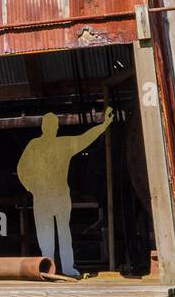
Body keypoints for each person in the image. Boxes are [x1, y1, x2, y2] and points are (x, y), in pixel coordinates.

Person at [16, 107, 114, 278]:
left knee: (50, 232)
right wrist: (104, 125)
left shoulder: (39, 145)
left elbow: (22, 169)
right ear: (54, 128)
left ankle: (50, 268)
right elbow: (85, 138)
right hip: (52, 196)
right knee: (61, 232)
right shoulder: (56, 144)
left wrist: (32, 187)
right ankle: (63, 268)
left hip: (49, 196)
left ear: (45, 127)